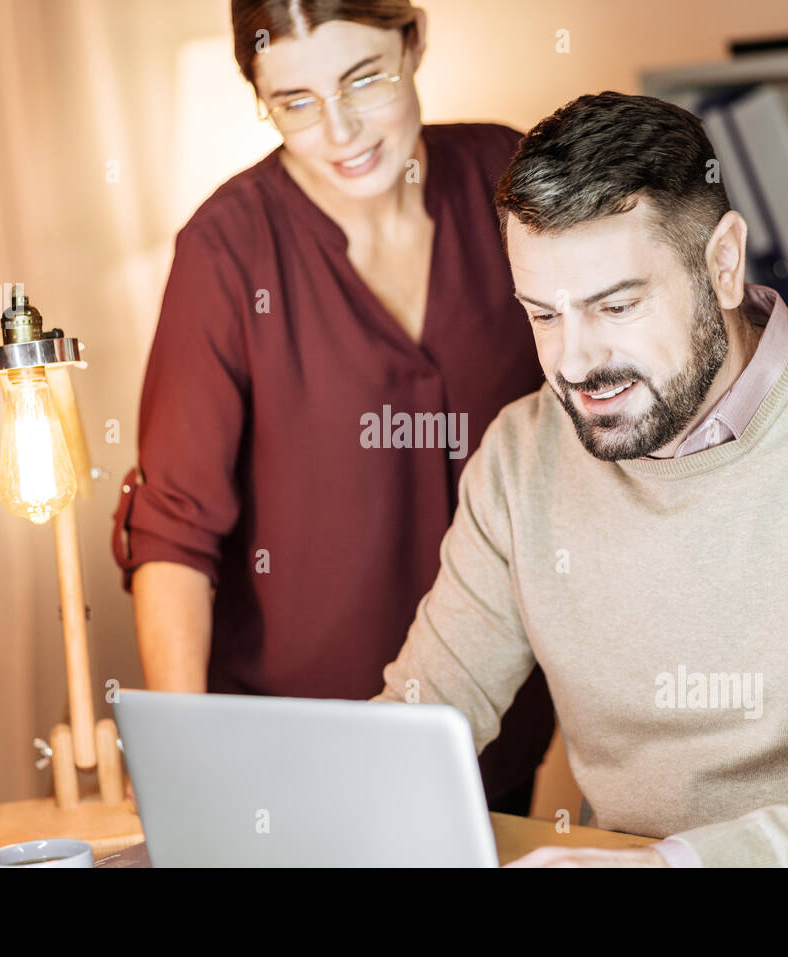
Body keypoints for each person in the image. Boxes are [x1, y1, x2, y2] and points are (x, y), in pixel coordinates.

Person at [375, 92, 788, 866]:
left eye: (616, 304)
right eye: (544, 315)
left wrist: (679, 865)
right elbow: (420, 721)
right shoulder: (520, 458)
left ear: (723, 263)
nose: (575, 362)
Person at [112, 0, 554, 813]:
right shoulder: (224, 252)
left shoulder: (509, 179)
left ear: (413, 41)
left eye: (365, 79)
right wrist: (184, 772)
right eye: (296, 103)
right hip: (290, 756)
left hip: (491, 737)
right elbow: (174, 532)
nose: (342, 130)